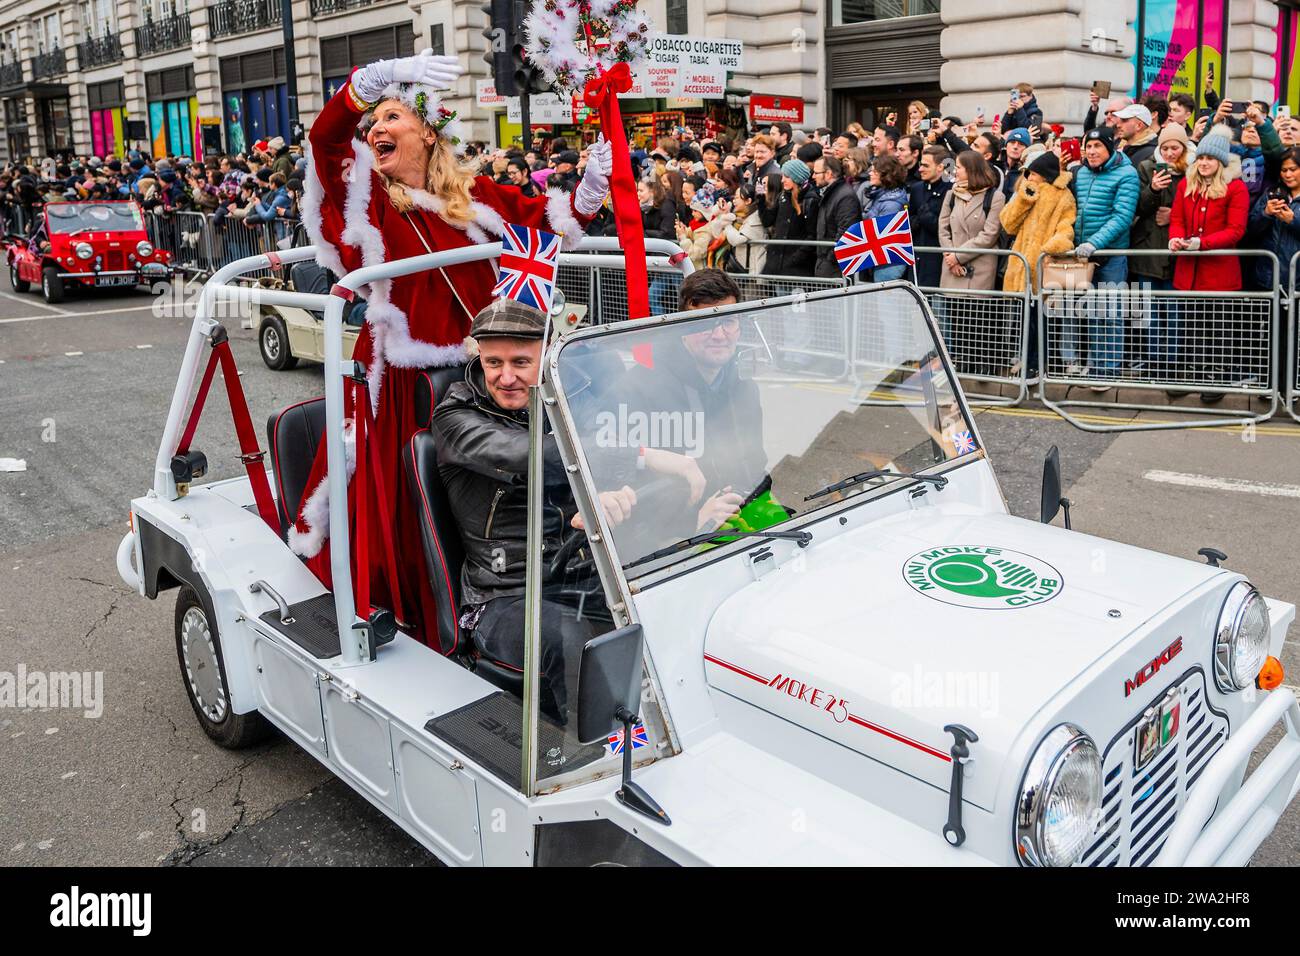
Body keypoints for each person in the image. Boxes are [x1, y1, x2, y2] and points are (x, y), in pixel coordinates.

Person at [290, 48, 613, 648]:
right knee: (414, 496)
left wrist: (592, 186)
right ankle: (408, 606)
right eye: (374, 122)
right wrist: (370, 80)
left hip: (482, 370)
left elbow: (550, 219)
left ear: (428, 133)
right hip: (405, 377)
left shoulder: (472, 195)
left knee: (500, 483)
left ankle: (516, 591)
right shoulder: (369, 197)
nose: (377, 130)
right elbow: (326, 139)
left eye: (392, 117)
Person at [433, 300, 633, 722]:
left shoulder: (559, 399)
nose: (506, 377)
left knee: (655, 604)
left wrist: (611, 496)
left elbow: (614, 450)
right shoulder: (456, 415)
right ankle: (595, 758)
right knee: (571, 638)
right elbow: (532, 454)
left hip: (574, 568)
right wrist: (638, 454)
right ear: (479, 358)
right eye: (494, 362)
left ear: (546, 357)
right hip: (503, 592)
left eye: (521, 362)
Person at [1168, 125, 1252, 398]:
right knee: (1190, 327)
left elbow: (1236, 230)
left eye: (1210, 159)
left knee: (1217, 329)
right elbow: (1177, 219)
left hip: (1219, 272)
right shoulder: (1186, 184)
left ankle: (1217, 378)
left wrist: (1201, 244)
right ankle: (1192, 375)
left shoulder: (1236, 188)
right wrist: (1176, 238)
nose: (1204, 163)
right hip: (1188, 271)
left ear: (1221, 162)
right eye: (1201, 158)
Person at [1067, 126, 1140, 385]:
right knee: (1088, 312)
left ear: (1110, 148)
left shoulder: (1127, 173)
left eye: (1098, 146)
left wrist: (1093, 243)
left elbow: (1122, 216)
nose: (1092, 151)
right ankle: (1094, 364)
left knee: (1110, 313)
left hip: (1110, 255)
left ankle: (1108, 368)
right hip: (1082, 255)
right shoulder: (1082, 172)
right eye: (1088, 146)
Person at [1131, 123, 1190, 378]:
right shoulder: (1146, 168)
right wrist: (1153, 189)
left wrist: (1173, 215)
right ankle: (1153, 360)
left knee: (1174, 311)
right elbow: (1139, 208)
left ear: (1184, 148)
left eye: (1174, 147)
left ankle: (1173, 361)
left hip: (1178, 251)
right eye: (1164, 147)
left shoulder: (1193, 172)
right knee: (1149, 313)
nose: (1169, 153)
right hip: (1149, 248)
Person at [1000, 150, 1076, 295]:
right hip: (1019, 265)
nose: (1029, 177)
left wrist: (1051, 248)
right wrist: (1024, 200)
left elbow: (1066, 227)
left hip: (1045, 266)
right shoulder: (1026, 192)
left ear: (1045, 176)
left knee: (1041, 314)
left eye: (1033, 174)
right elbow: (1008, 224)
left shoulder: (1064, 196)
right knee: (1019, 313)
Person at [858, 154, 911, 281]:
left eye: (875, 171)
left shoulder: (892, 203)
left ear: (886, 175)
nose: (870, 173)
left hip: (888, 264)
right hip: (881, 261)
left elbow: (882, 235)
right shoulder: (881, 196)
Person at [812, 155, 863, 279]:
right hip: (826, 263)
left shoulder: (845, 196)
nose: (813, 176)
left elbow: (846, 232)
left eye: (816, 173)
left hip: (835, 268)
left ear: (829, 174)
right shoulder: (831, 193)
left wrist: (829, 260)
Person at [763, 158, 816, 277]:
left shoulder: (810, 201)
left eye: (786, 177)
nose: (782, 180)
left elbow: (812, 235)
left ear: (796, 178)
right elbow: (767, 221)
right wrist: (761, 200)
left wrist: (794, 259)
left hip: (797, 269)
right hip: (777, 265)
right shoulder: (783, 197)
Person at [909, 146, 953, 287]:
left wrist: (926, 217)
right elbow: (910, 219)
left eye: (925, 165)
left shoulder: (950, 190)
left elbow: (946, 228)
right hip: (916, 257)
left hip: (937, 261)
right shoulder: (917, 188)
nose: (920, 169)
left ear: (940, 167)